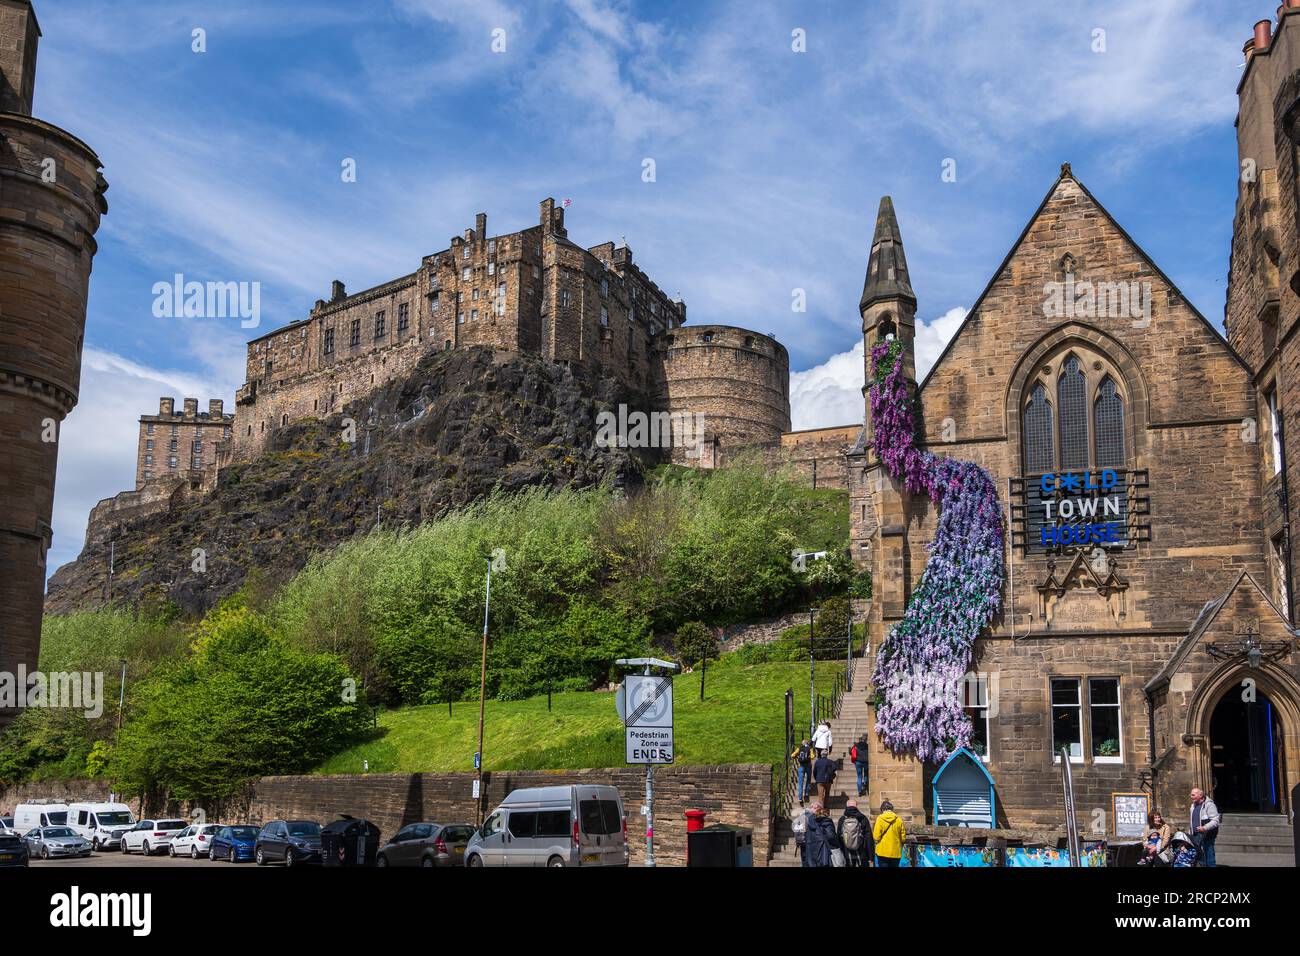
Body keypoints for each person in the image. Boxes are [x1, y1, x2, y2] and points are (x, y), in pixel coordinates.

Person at [803, 801, 843, 868]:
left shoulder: (806, 821)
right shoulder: (826, 821)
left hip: (810, 855)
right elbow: (831, 836)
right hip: (824, 853)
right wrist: (837, 845)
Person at [1189, 787, 1220, 867]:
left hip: (1207, 835)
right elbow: (1192, 821)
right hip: (1196, 835)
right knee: (1200, 858)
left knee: (1209, 856)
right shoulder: (1193, 805)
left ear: (1200, 795)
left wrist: (1205, 828)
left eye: (1193, 795)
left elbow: (1216, 820)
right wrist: (1190, 833)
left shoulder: (1209, 805)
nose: (1190, 796)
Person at [838, 799, 872, 867]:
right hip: (862, 852)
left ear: (846, 806)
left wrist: (841, 851)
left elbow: (839, 836)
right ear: (856, 806)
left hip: (847, 852)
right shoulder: (862, 818)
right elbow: (868, 836)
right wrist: (870, 855)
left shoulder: (842, 819)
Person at [872, 799, 905, 867]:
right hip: (896, 851)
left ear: (882, 809)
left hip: (882, 851)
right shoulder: (899, 819)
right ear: (892, 809)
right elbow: (903, 838)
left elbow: (876, 836)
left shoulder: (880, 818)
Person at [791, 738, 813, 804]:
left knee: (800, 782)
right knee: (808, 780)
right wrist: (808, 757)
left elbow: (792, 755)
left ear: (802, 743)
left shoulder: (799, 748)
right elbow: (812, 756)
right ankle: (806, 793)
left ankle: (800, 798)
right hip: (808, 765)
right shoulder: (810, 748)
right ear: (807, 743)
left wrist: (797, 756)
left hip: (801, 766)